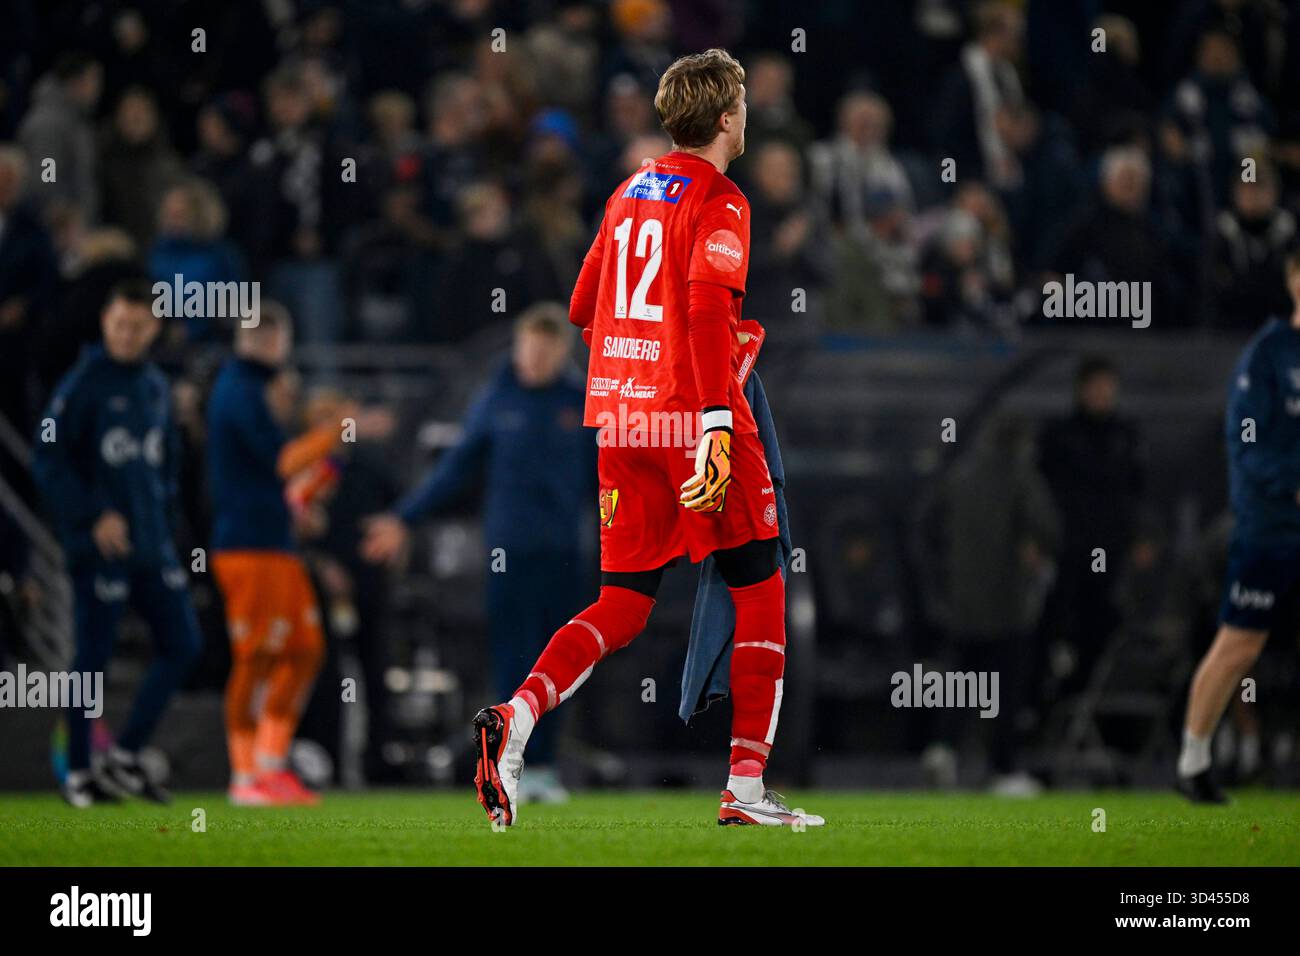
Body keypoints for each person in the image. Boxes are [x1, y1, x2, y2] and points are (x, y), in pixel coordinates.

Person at [467, 49, 823, 828]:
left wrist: (633, 365)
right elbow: (702, 316)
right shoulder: (724, 200)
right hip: (694, 416)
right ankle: (747, 790)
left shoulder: (628, 190)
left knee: (622, 602)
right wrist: (717, 424)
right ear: (728, 115)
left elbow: (580, 305)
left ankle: (516, 719)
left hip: (622, 422)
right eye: (741, 102)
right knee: (761, 586)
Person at [362, 304, 596, 801]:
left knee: (560, 667)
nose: (531, 359)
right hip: (507, 555)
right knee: (513, 661)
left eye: (542, 350)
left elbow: (612, 479)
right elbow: (454, 469)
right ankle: (511, 766)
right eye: (526, 348)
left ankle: (547, 768)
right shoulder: (496, 398)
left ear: (559, 352)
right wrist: (403, 518)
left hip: (564, 555)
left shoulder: (582, 403)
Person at [32, 279, 202, 807]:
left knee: (184, 644)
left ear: (154, 327)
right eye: (119, 324)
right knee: (93, 657)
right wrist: (91, 515)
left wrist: (172, 530)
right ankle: (78, 771)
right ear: (105, 321)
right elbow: (48, 460)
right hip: (99, 548)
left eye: (138, 326)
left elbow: (164, 466)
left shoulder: (153, 385)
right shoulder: (81, 385)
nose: (127, 334)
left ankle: (125, 754)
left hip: (151, 545)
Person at [206, 302, 362, 805]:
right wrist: (332, 432)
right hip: (246, 546)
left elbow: (270, 472)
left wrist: (295, 505)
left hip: (274, 542)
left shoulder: (250, 390)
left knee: (305, 649)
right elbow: (281, 461)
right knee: (257, 655)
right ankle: (244, 775)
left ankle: (271, 764)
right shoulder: (238, 390)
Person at [1177, 250, 1300, 803]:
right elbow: (1247, 441)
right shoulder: (1268, 355)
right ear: (1294, 280)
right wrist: (1290, 483)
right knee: (1242, 642)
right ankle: (1194, 759)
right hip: (1272, 525)